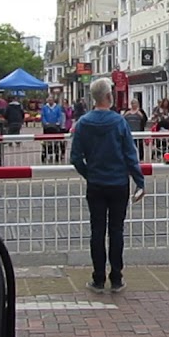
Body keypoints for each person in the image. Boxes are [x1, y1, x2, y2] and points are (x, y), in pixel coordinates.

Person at [71, 79, 145, 294]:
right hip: (118, 183)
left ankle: (98, 277)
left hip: (96, 184)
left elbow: (76, 157)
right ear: (108, 96)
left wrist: (89, 174)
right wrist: (139, 181)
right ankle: (116, 277)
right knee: (116, 230)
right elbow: (130, 155)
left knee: (97, 230)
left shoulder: (83, 123)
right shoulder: (119, 122)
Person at [41, 97, 67, 163]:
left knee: (56, 140)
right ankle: (46, 151)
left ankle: (57, 152)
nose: (50, 101)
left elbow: (60, 116)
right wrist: (45, 122)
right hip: (47, 126)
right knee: (47, 140)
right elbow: (43, 116)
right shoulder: (45, 107)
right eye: (49, 100)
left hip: (55, 126)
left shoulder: (57, 107)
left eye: (51, 100)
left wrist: (58, 122)